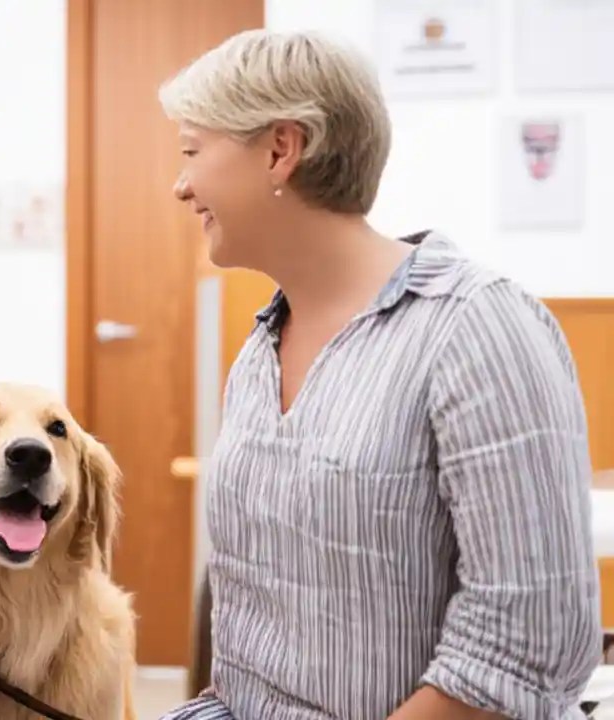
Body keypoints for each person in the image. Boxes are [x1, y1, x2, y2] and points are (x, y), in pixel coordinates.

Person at [154, 30, 603, 720]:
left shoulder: (477, 328)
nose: (181, 185)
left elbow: (523, 645)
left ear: (281, 148)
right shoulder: (258, 354)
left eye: (192, 151)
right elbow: (254, 657)